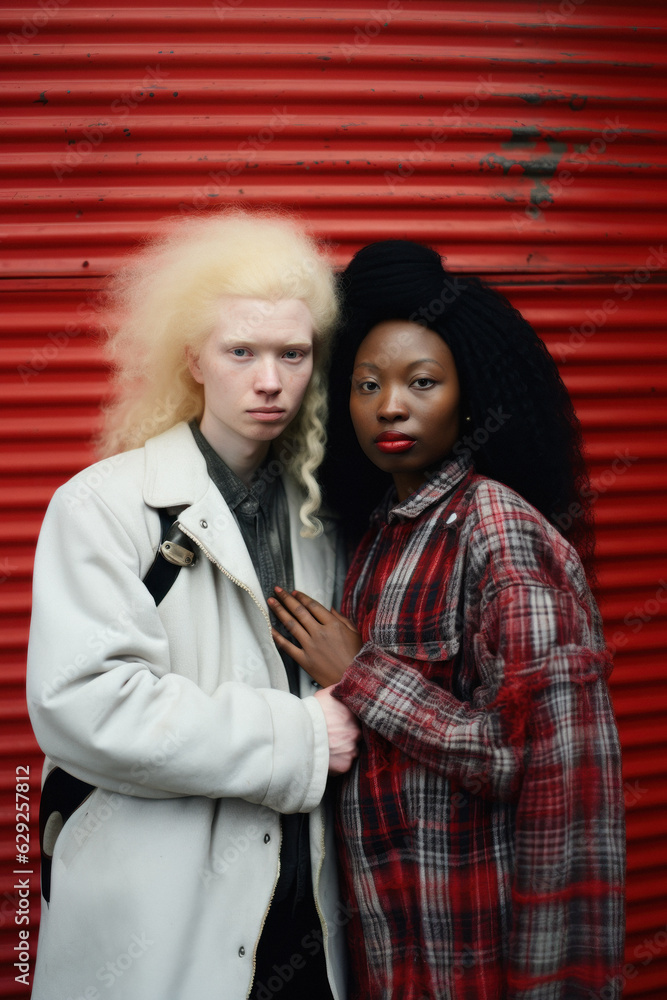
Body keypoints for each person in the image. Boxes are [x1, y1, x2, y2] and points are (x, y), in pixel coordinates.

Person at [269, 240, 626, 1000]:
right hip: (388, 944)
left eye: (419, 382)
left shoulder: (498, 531)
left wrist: (361, 675)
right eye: (366, 385)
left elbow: (524, 760)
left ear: (467, 397)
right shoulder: (373, 536)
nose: (389, 405)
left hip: (476, 949)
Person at [26, 209, 360, 1000]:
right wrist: (300, 737)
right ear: (193, 360)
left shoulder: (326, 514)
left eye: (292, 353)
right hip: (160, 914)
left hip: (304, 910)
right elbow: (84, 705)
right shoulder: (103, 505)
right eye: (239, 352)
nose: (270, 380)